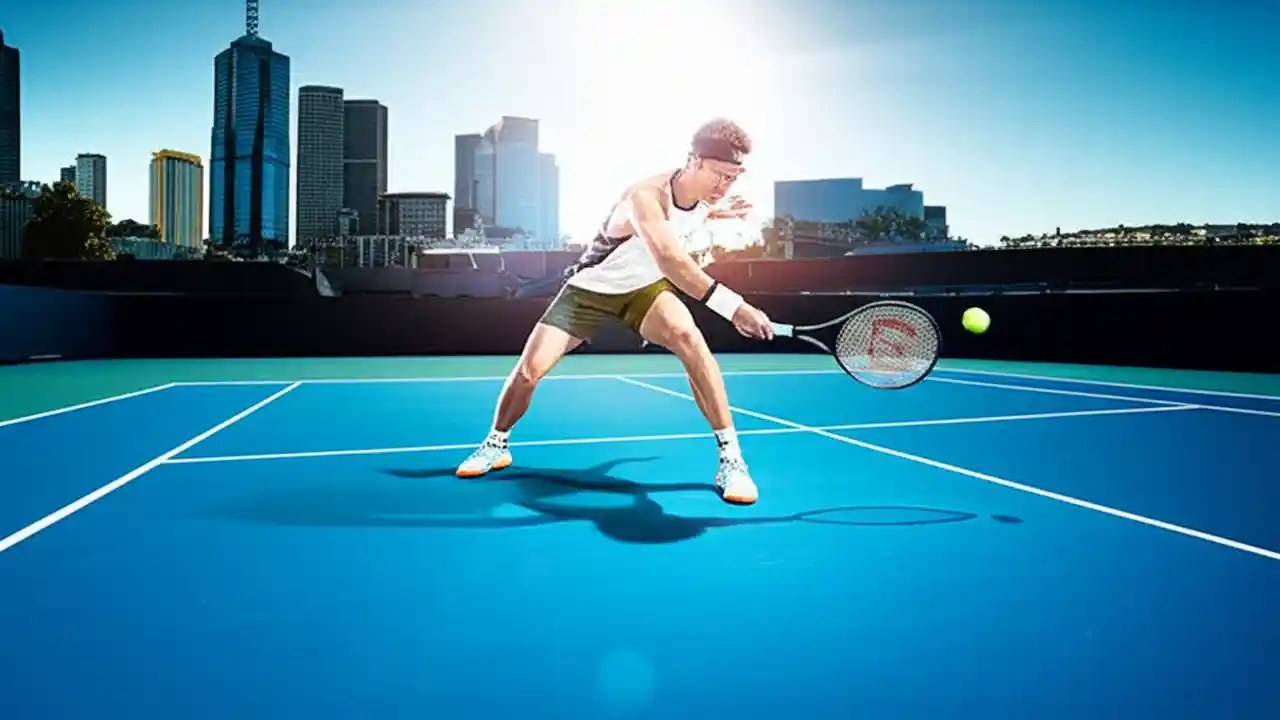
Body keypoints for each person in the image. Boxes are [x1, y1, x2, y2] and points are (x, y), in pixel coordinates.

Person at [454, 118, 774, 505]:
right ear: (693, 160)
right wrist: (734, 307)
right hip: (590, 290)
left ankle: (732, 460)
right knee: (529, 371)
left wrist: (719, 215)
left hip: (644, 292)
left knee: (691, 340)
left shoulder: (708, 202)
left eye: (733, 178)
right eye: (719, 175)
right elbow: (671, 259)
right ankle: (496, 443)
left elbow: (689, 234)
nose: (724, 186)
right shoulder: (646, 196)